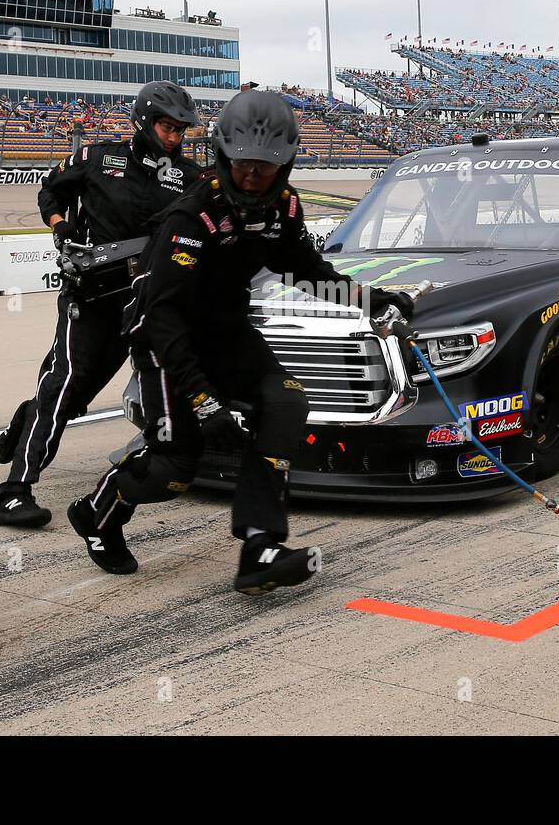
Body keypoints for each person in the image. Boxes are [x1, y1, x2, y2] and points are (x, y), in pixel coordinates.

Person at [65, 90, 414, 594]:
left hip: (227, 331)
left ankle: (260, 547)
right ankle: (97, 511)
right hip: (166, 338)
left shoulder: (285, 207)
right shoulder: (193, 215)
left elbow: (306, 271)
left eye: (266, 167)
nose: (253, 176)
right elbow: (160, 315)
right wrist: (204, 401)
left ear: (286, 164)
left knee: (286, 402)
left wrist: (373, 299)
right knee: (175, 467)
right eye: (244, 164)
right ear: (224, 156)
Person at [0, 82, 204, 527]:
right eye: (167, 126)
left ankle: (21, 423)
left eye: (181, 129)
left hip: (141, 307)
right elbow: (50, 192)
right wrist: (60, 228)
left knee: (75, 399)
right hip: (87, 298)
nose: (174, 136)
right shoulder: (96, 158)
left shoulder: (190, 177)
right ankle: (13, 492)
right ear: (144, 121)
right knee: (62, 385)